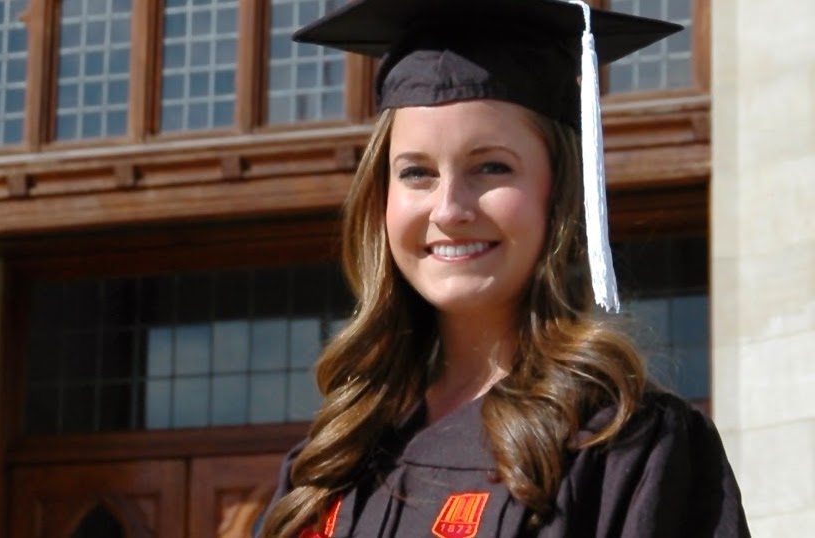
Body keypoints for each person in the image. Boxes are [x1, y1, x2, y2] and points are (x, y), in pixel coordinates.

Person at [257, 0, 750, 537]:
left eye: (491, 167)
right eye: (416, 173)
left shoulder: (628, 449)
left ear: (559, 193)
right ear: (381, 199)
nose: (448, 209)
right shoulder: (332, 457)